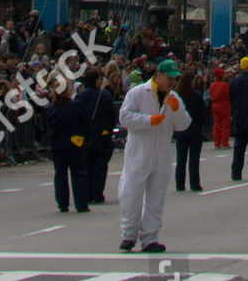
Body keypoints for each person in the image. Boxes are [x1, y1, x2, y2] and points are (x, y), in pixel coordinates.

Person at [117, 58, 190, 254]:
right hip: (139, 152)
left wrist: (177, 110)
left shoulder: (173, 96)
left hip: (162, 154)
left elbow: (184, 125)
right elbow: (124, 117)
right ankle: (128, 235)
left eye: (175, 79)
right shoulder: (138, 93)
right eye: (169, 78)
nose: (172, 83)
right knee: (131, 194)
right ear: (158, 75)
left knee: (155, 198)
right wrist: (148, 120)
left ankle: (150, 238)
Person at [45, 81, 91, 214]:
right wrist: (85, 137)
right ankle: (81, 203)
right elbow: (86, 122)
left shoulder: (51, 109)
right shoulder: (76, 106)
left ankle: (62, 204)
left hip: (57, 145)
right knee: (78, 173)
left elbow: (48, 126)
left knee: (60, 174)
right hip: (75, 143)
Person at [74, 66, 117, 205]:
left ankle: (86, 194)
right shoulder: (105, 95)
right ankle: (97, 193)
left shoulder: (80, 96)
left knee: (86, 165)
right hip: (102, 135)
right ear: (96, 81)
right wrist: (109, 130)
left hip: (85, 136)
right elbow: (112, 116)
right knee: (100, 166)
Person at [174, 70, 206, 193]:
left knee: (181, 159)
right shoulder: (196, 95)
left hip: (181, 130)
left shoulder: (177, 95)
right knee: (194, 158)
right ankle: (194, 183)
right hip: (194, 129)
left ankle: (180, 183)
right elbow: (202, 112)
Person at [208, 66, 230, 149]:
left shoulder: (212, 85)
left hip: (214, 105)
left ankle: (216, 143)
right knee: (225, 124)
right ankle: (224, 143)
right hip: (223, 105)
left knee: (216, 124)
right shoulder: (224, 85)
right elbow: (228, 95)